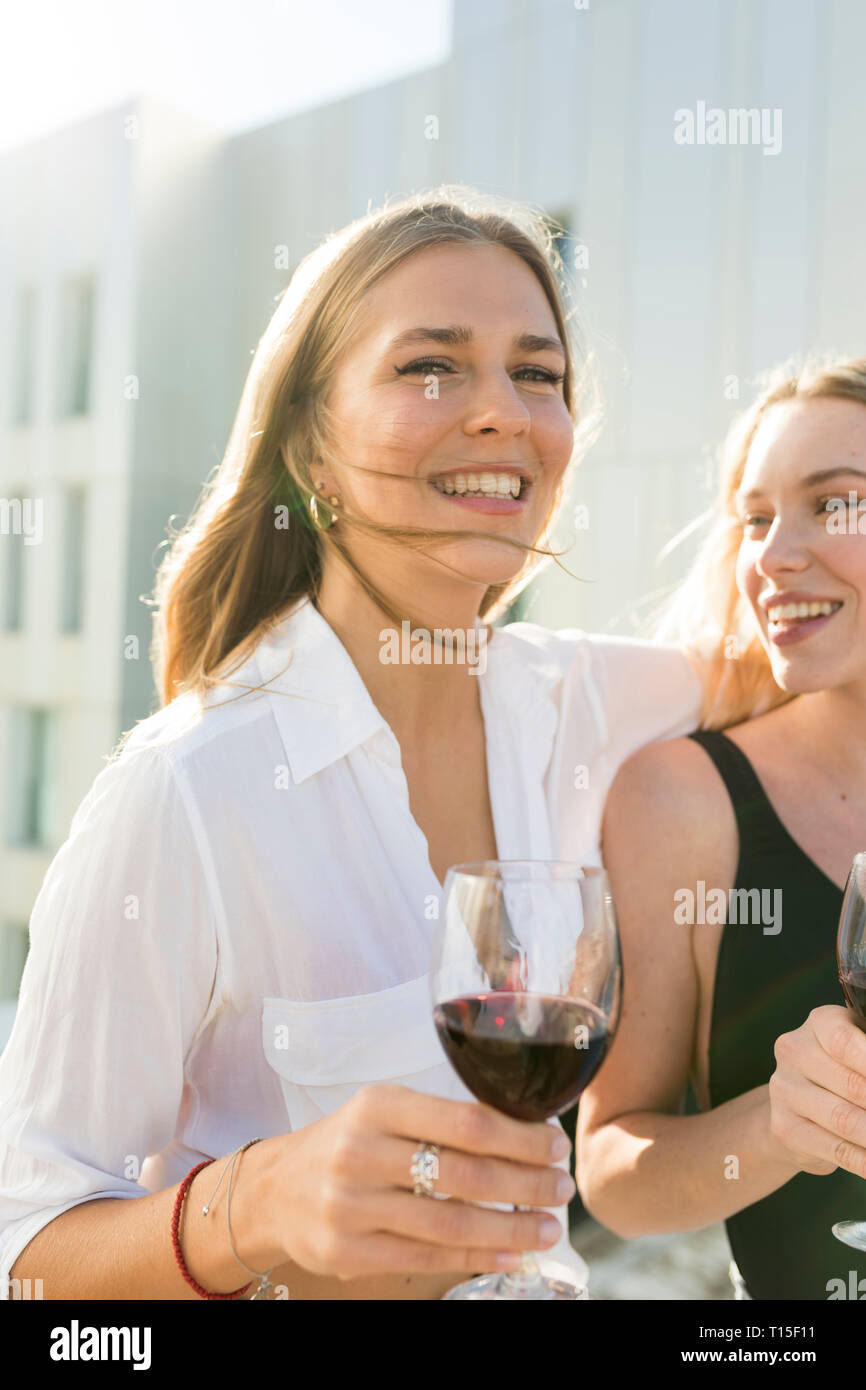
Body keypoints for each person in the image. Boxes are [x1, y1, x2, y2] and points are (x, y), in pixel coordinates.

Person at [0, 186, 701, 1301]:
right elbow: (28, 1269)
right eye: (430, 365)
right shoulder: (183, 792)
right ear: (309, 453)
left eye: (538, 373)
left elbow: (794, 661)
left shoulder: (584, 697)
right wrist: (258, 1204)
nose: (502, 412)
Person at [576, 356, 866, 1300]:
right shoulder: (681, 799)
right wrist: (780, 1125)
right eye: (756, 518)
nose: (774, 555)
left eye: (834, 504)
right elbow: (615, 1169)